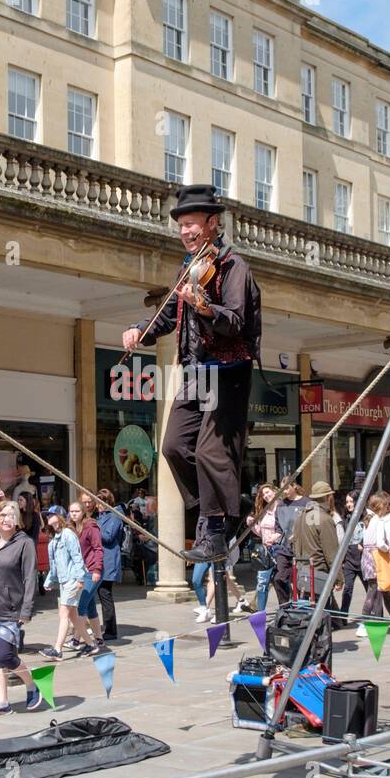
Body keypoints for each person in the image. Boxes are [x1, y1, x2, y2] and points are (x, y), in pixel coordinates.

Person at [121, 183, 262, 563]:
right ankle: (216, 509)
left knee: (209, 450)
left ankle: (215, 526)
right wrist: (140, 329)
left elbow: (235, 321)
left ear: (213, 223)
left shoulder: (233, 266)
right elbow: (169, 315)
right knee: (173, 446)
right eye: (181, 226)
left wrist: (203, 308)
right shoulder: (189, 268)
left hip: (228, 370)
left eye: (192, 225)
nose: (185, 232)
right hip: (195, 373)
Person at [0, 501, 42, 716]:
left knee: (4, 656)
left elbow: (30, 578)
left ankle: (31, 684)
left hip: (9, 608)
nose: (6, 519)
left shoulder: (25, 544)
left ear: (17, 519)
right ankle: (2, 703)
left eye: (11, 515)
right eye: (2, 515)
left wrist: (26, 610)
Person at [39, 506, 89, 661]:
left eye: (51, 514)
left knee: (64, 614)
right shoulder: (54, 538)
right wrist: (49, 580)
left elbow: (77, 556)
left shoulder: (68, 534)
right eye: (46, 516)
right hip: (64, 581)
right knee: (73, 617)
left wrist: (81, 578)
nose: (48, 517)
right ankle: (91, 644)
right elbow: (54, 564)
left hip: (73, 579)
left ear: (60, 516)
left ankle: (57, 649)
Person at [358, 492, 390, 636]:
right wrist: (388, 550)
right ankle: (364, 624)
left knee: (381, 591)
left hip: (367, 558)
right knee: (375, 591)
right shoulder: (381, 520)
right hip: (378, 558)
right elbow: (381, 543)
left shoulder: (367, 520)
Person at [291, 481, 343, 620]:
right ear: (328, 497)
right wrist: (339, 578)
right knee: (318, 620)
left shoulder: (301, 516)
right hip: (318, 574)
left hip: (302, 573)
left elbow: (294, 545)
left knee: (309, 617)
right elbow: (332, 554)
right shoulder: (325, 519)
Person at [68, 499, 105, 653]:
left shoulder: (91, 526)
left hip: (92, 571)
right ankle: (99, 639)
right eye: (71, 511)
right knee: (90, 607)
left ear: (83, 512)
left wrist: (97, 569)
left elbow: (98, 548)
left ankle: (76, 640)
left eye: (76, 511)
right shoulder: (72, 528)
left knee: (81, 605)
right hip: (81, 572)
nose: (74, 514)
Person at [91, 489, 126, 640]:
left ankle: (111, 630)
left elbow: (109, 536)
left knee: (105, 594)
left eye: (100, 502)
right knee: (96, 594)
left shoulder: (115, 516)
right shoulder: (101, 516)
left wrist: (93, 529)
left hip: (108, 560)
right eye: (97, 503)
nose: (98, 506)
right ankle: (99, 627)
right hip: (99, 560)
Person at [271, 482, 309, 606]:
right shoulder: (281, 506)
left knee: (300, 581)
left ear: (294, 486)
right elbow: (278, 528)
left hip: (302, 548)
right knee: (278, 578)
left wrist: (298, 534)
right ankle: (284, 606)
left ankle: (303, 608)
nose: (285, 491)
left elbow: (313, 526)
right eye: (282, 488)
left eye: (287, 487)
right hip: (284, 548)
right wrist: (275, 536)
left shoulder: (307, 503)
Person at [247, 483, 280, 614]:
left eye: (268, 492)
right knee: (262, 583)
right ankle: (260, 612)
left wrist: (275, 537)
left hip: (279, 549)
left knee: (281, 582)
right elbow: (261, 532)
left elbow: (287, 529)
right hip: (265, 551)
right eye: (263, 494)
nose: (266, 496)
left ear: (274, 491)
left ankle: (287, 610)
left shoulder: (282, 508)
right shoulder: (265, 511)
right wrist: (252, 525)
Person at [338, 491, 364, 622]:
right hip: (349, 560)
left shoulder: (365, 518)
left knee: (371, 590)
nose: (348, 504)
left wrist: (362, 544)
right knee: (347, 588)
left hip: (364, 561)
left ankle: (378, 616)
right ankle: (343, 617)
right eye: (347, 502)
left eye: (351, 501)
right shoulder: (345, 520)